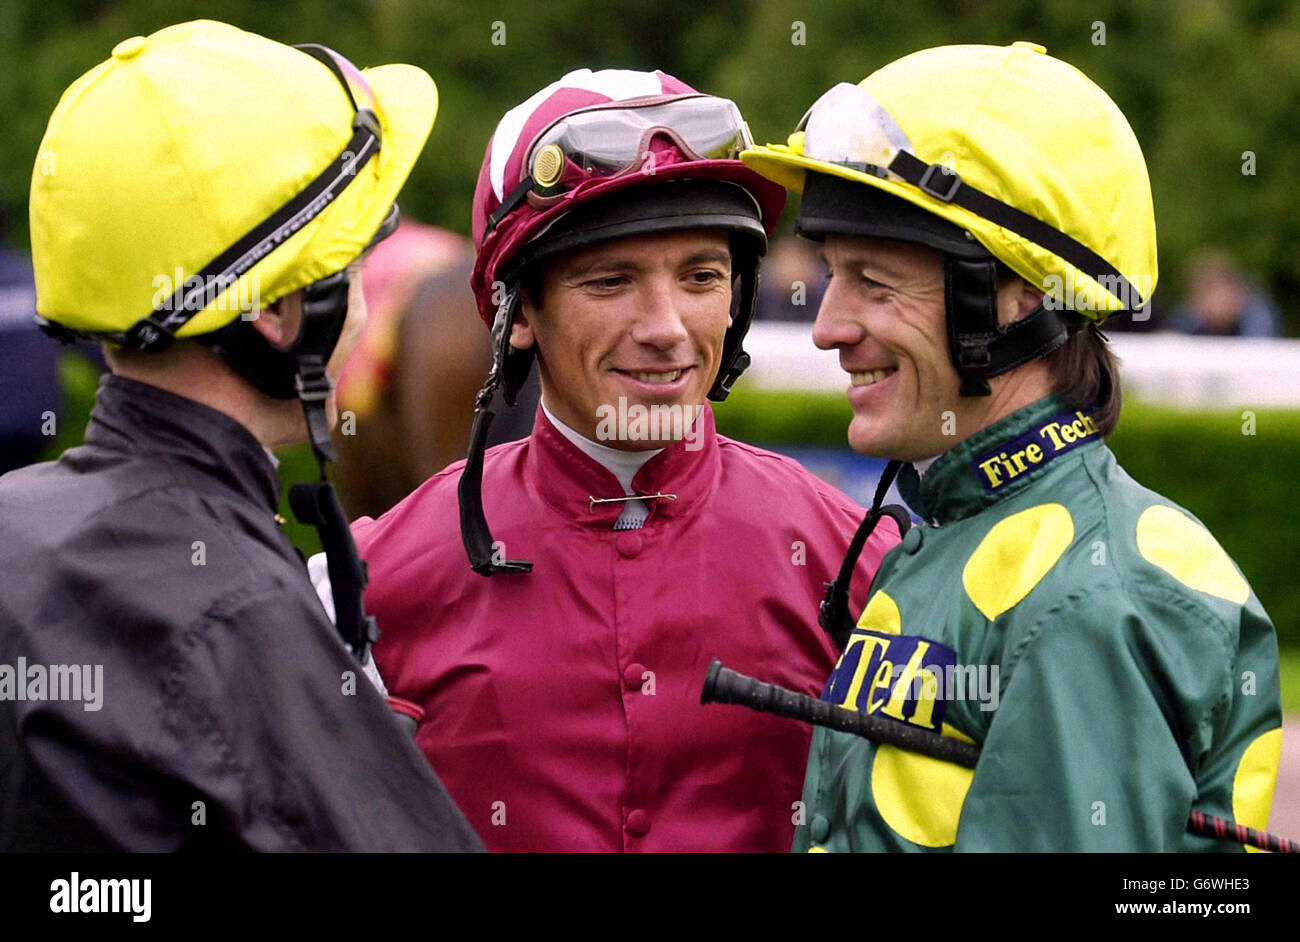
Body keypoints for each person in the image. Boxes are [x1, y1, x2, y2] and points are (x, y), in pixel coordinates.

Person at [313, 68, 899, 852]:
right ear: (521, 314)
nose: (665, 327)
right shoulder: (359, 585)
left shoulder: (862, 563)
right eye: (611, 281)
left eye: (701, 277)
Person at [741, 41, 1282, 851]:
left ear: (1020, 297)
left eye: (875, 283)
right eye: (831, 275)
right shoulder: (968, 529)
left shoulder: (1086, 604)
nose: (827, 327)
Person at [0, 20, 481, 852]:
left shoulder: (16, 518)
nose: (366, 307)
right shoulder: (238, 613)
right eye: (353, 269)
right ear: (276, 313)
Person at [1169, 249, 1283, 337]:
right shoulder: (1186, 319)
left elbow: (1259, 352)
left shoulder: (1258, 317)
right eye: (1212, 293)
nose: (1219, 300)